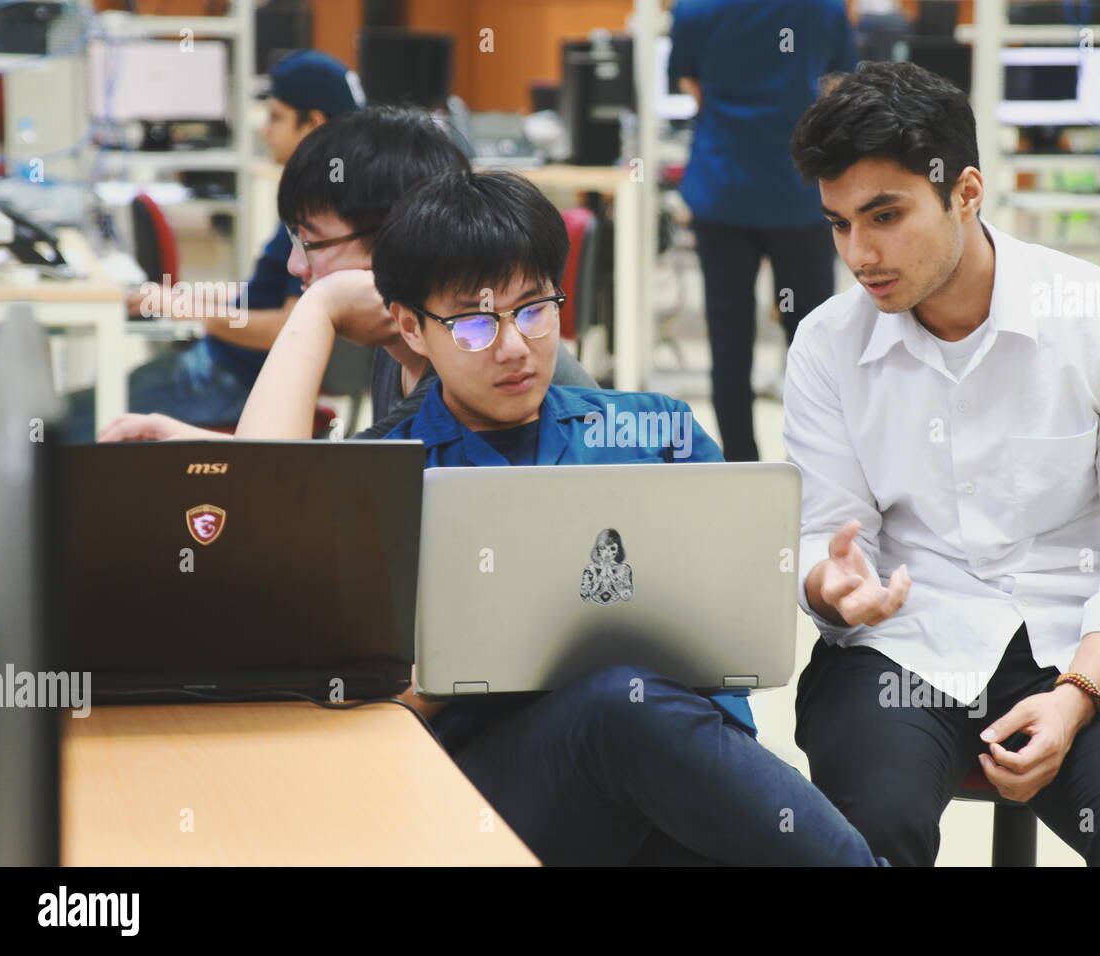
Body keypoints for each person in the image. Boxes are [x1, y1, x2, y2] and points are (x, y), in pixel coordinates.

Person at [238, 165, 887, 866]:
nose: (515, 346)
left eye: (534, 309)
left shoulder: (657, 434)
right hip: (488, 801)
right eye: (475, 322)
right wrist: (423, 688)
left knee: (643, 724)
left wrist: (808, 575)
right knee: (619, 701)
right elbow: (328, 707)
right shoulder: (377, 477)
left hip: (670, 774)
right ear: (410, 328)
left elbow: (732, 631)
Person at [783, 61, 1100, 866]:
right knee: (866, 834)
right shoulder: (827, 344)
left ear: (967, 192)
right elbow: (822, 533)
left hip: (1073, 640)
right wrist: (829, 587)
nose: (861, 253)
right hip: (899, 647)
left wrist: (1076, 699)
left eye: (885, 215)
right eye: (839, 224)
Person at [97, 106, 597, 444]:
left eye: (310, 242)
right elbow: (349, 467)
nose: (296, 266)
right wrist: (188, 438)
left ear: (394, 242)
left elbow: (274, 483)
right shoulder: (407, 348)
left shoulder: (475, 365)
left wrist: (320, 306)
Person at [66, 50, 364, 441]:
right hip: (229, 365)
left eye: (275, 117)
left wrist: (189, 308)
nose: (264, 130)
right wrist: (187, 299)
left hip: (236, 379)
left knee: (68, 419)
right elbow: (267, 300)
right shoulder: (321, 194)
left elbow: (286, 328)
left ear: (313, 124)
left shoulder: (324, 209)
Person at [668, 0, 854, 461]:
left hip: (723, 187)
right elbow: (839, 82)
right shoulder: (824, 8)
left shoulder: (695, 10)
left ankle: (740, 464)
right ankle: (816, 461)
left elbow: (689, 81)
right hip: (799, 187)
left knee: (728, 340)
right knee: (812, 335)